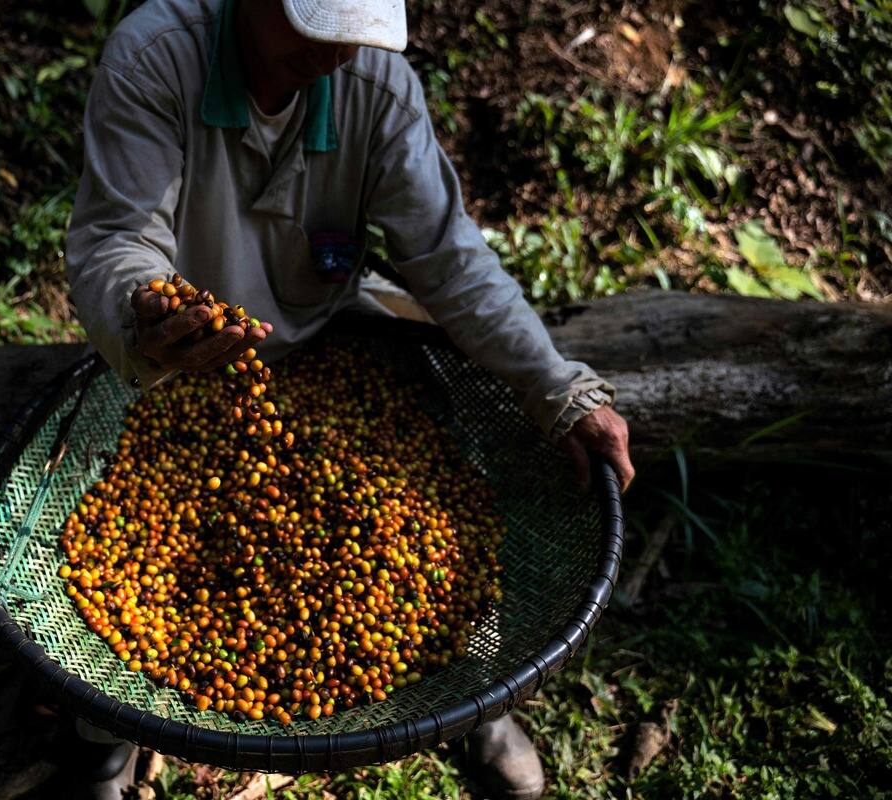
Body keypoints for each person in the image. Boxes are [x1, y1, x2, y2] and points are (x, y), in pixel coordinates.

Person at [64, 0, 635, 796]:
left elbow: (450, 260)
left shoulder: (377, 86)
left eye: (351, 35)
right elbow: (115, 238)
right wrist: (148, 313)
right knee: (127, 553)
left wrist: (559, 385)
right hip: (179, 371)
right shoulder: (158, 57)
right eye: (315, 29)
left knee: (445, 508)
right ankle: (108, 741)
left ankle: (474, 698)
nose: (336, 55)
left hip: (329, 333)